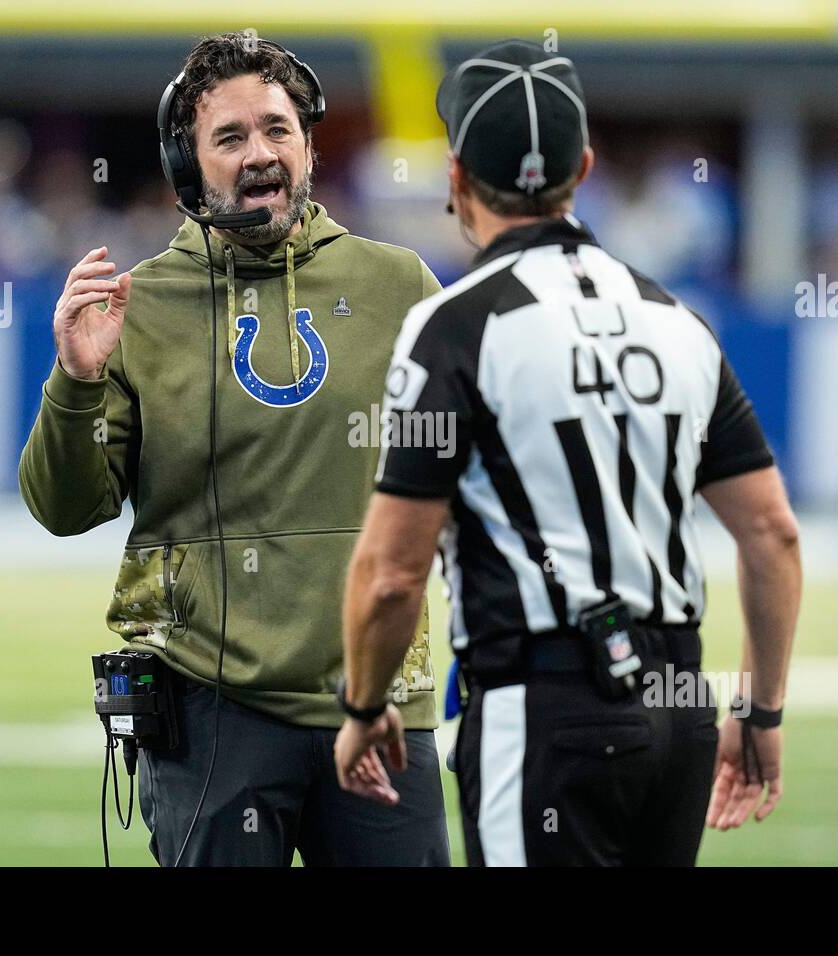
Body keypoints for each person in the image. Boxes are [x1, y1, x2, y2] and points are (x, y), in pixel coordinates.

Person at [333, 40, 801, 866]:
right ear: (583, 167)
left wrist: (364, 701)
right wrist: (760, 712)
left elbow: (392, 572)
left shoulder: (454, 328)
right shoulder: (677, 320)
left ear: (455, 177)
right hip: (682, 704)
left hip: (544, 702)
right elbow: (772, 535)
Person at [19, 33, 449, 866]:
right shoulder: (136, 304)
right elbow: (66, 511)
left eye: (277, 130)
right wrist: (75, 379)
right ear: (188, 168)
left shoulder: (400, 285)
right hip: (213, 714)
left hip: (382, 699)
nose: (260, 154)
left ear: (309, 144)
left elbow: (476, 469)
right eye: (230, 137)